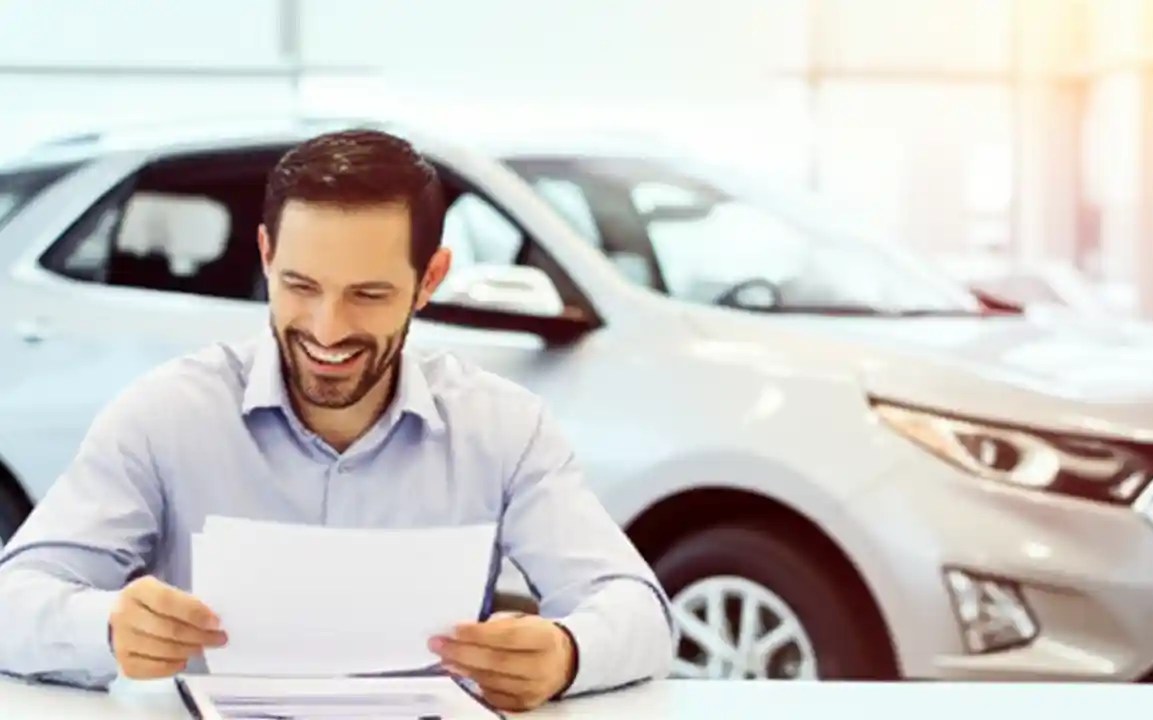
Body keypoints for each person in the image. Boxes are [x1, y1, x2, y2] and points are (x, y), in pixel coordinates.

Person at [0, 129, 674, 711]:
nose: (327, 330)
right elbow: (12, 604)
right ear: (266, 257)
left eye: (369, 295)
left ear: (430, 279)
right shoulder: (167, 415)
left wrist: (565, 653)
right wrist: (110, 629)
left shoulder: (503, 429)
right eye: (300, 286)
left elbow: (638, 610)